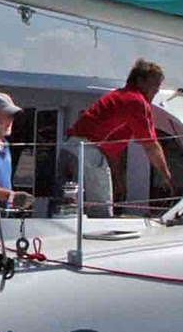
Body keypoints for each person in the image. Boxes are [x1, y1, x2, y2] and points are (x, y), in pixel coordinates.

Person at [65, 59, 174, 217]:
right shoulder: (136, 102)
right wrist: (166, 175)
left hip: (71, 148)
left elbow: (111, 149)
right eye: (154, 84)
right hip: (89, 152)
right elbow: (150, 145)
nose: (156, 90)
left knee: (69, 207)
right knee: (100, 212)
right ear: (140, 81)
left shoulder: (118, 96)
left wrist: (118, 181)